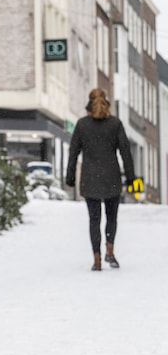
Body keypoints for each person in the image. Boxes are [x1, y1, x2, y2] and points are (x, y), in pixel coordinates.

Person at [65, 88, 139, 271]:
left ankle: (97, 259)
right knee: (111, 217)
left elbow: (73, 152)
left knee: (94, 219)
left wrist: (70, 176)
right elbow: (125, 152)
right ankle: (110, 250)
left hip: (90, 178)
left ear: (89, 104)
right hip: (111, 177)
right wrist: (131, 178)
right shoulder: (115, 124)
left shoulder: (82, 125)